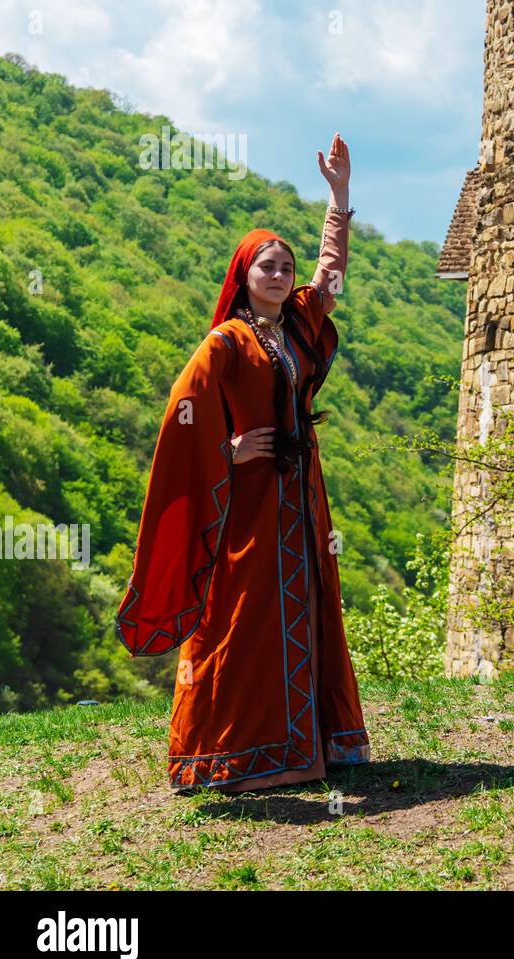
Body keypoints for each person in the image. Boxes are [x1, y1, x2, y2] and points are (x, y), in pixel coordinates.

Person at [117, 134, 370, 793]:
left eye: (286, 266)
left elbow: (332, 274)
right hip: (248, 504)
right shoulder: (225, 342)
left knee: (307, 606)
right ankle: (229, 755)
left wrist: (338, 198)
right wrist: (228, 450)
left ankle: (307, 745)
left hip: (301, 498)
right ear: (244, 277)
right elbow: (184, 411)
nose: (282, 275)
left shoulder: (298, 323)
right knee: (241, 619)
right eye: (268, 267)